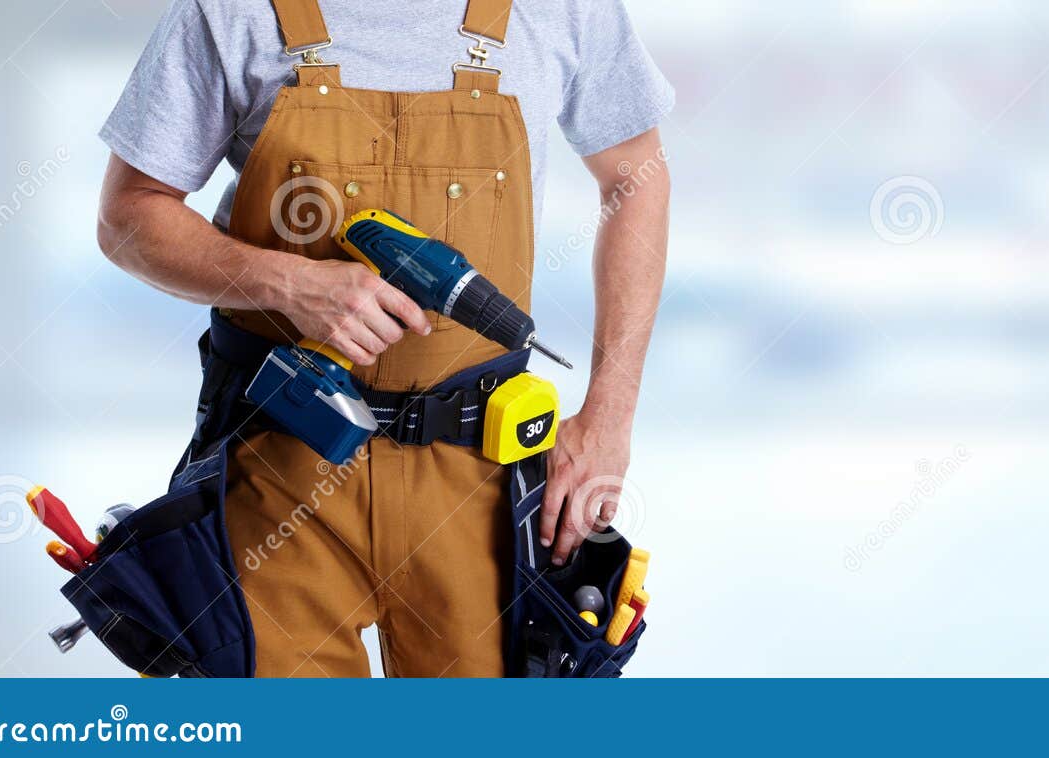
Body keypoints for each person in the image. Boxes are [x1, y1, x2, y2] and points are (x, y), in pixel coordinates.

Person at [93, 0, 672, 677]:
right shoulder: (231, 9)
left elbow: (638, 175)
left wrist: (610, 415)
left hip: (478, 486)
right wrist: (288, 283)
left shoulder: (564, 9)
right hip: (281, 471)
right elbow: (128, 216)